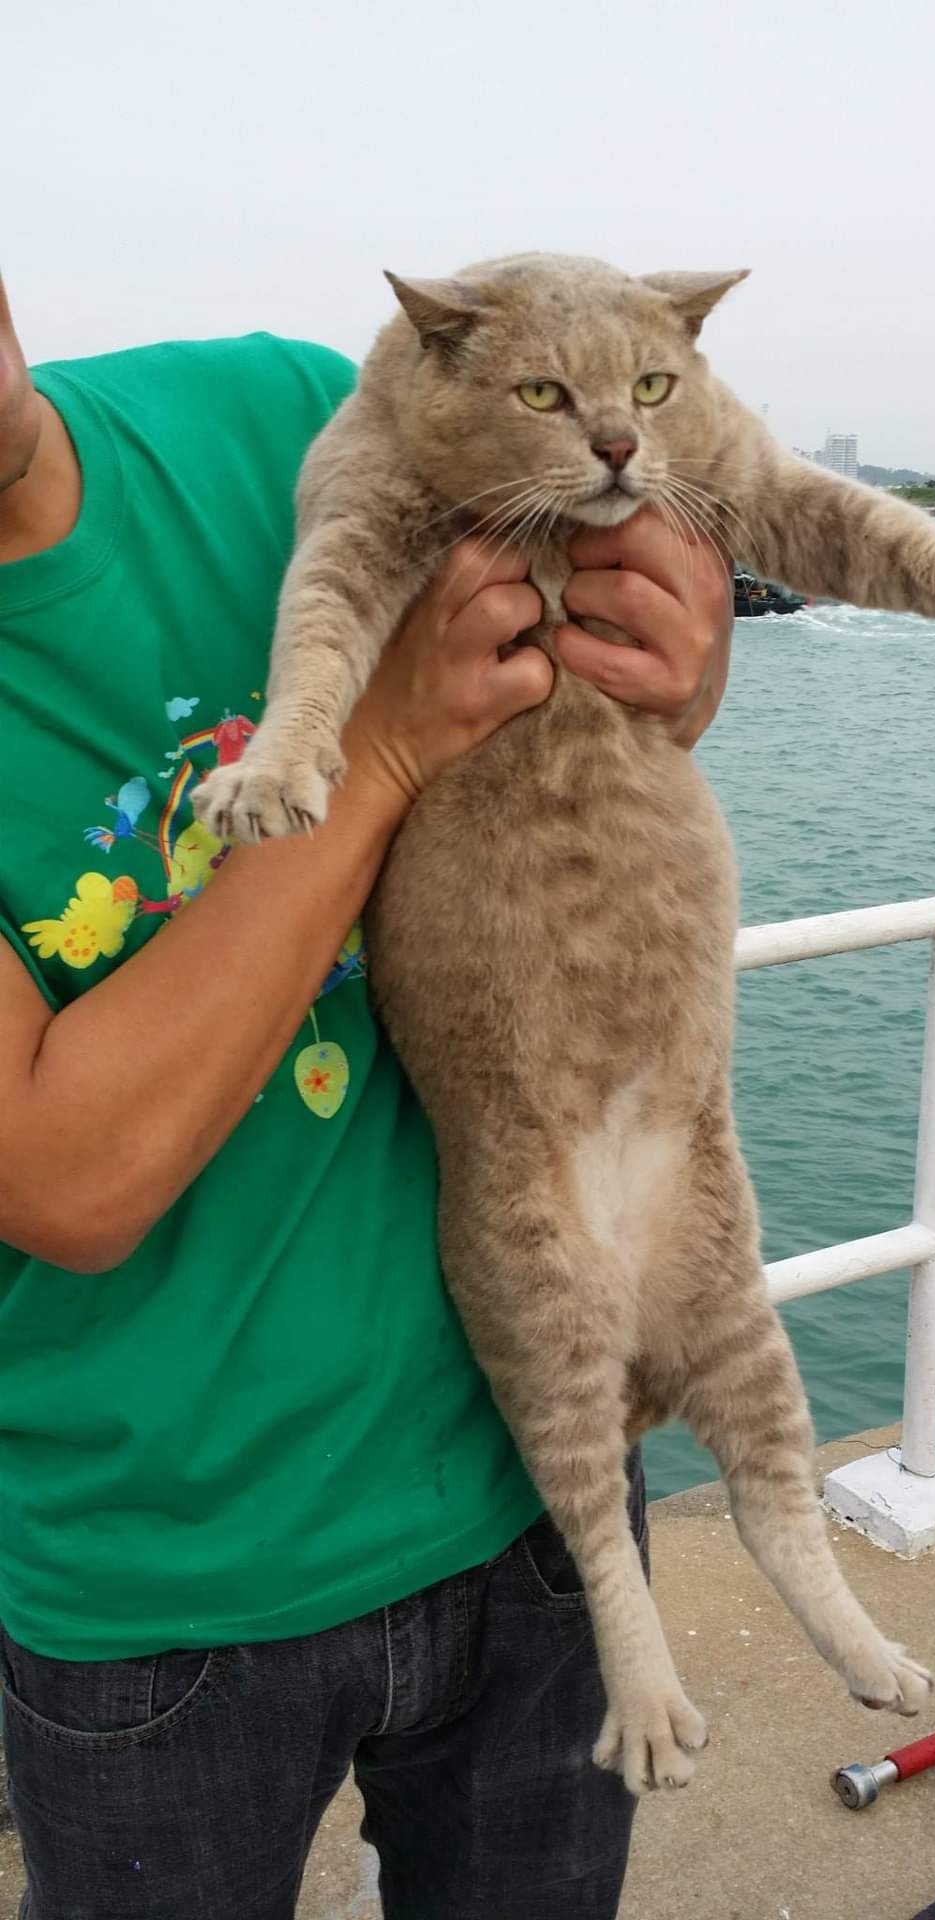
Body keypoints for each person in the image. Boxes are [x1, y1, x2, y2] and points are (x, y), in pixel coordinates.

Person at [0, 272, 733, 1919]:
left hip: (532, 1482)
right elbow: (67, 1179)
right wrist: (385, 749)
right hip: (167, 1594)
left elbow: (635, 618)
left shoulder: (281, 407)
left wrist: (687, 656)